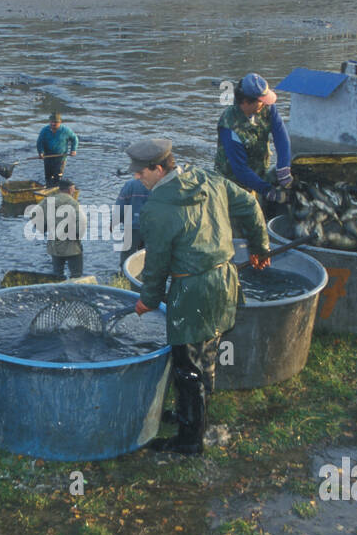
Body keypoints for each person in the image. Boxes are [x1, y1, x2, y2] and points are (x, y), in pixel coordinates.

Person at [130, 139, 270, 456]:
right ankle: (192, 415)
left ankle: (190, 440)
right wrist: (261, 248)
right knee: (207, 354)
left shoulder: (156, 209)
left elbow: (157, 263)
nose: (138, 178)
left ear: (158, 168)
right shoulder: (208, 178)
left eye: (141, 173)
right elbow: (250, 204)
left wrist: (148, 300)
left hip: (192, 291)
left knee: (186, 365)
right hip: (225, 280)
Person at [214, 72, 294, 214]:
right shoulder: (229, 126)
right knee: (243, 220)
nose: (265, 103)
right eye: (261, 101)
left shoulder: (266, 107)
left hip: (259, 171)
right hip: (233, 182)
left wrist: (284, 167)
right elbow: (240, 170)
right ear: (245, 102)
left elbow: (281, 135)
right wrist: (268, 190)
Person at [31, 178, 86, 278]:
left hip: (54, 246)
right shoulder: (74, 203)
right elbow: (82, 224)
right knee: (76, 275)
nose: (74, 191)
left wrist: (43, 228)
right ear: (70, 190)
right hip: (72, 247)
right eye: (74, 189)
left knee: (57, 275)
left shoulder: (48, 201)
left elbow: (34, 214)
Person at [36, 111, 78, 187]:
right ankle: (49, 195)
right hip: (48, 157)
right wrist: (40, 152)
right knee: (48, 177)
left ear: (60, 122)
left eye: (55, 122)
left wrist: (73, 150)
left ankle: (55, 195)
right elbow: (39, 142)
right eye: (51, 122)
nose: (53, 124)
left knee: (57, 177)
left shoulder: (66, 130)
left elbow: (74, 139)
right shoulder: (44, 130)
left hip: (60, 158)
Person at [114, 174, 151, 256]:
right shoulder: (156, 186)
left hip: (131, 228)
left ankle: (124, 268)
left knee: (127, 257)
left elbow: (121, 205)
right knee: (147, 257)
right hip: (151, 229)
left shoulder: (130, 184)